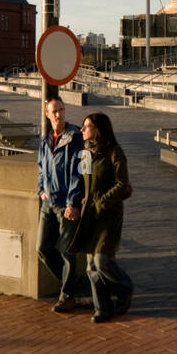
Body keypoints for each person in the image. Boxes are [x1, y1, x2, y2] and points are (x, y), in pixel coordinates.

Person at [75, 112, 134, 323]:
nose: (82, 130)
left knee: (102, 261)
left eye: (87, 126)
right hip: (88, 214)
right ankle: (102, 307)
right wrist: (78, 204)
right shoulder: (85, 154)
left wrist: (101, 203)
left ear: (98, 130)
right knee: (90, 264)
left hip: (108, 214)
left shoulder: (114, 153)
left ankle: (125, 288)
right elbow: (83, 183)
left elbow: (122, 184)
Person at [37, 94, 88, 310]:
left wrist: (73, 202)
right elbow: (41, 166)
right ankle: (72, 286)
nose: (58, 114)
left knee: (67, 252)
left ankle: (67, 296)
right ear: (48, 115)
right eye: (54, 111)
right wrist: (40, 189)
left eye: (61, 110)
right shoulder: (46, 140)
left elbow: (80, 172)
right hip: (48, 203)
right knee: (43, 248)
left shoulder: (74, 136)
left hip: (66, 203)